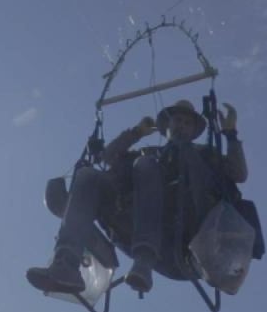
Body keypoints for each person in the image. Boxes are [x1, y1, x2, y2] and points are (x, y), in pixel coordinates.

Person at [26, 99, 245, 296]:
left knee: (145, 164)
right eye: (177, 120)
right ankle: (66, 263)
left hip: (184, 236)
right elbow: (108, 157)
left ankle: (144, 260)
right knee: (88, 175)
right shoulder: (151, 154)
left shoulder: (204, 155)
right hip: (135, 224)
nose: (181, 125)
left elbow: (238, 173)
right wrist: (136, 132)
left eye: (187, 123)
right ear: (166, 127)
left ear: (194, 130)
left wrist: (231, 135)